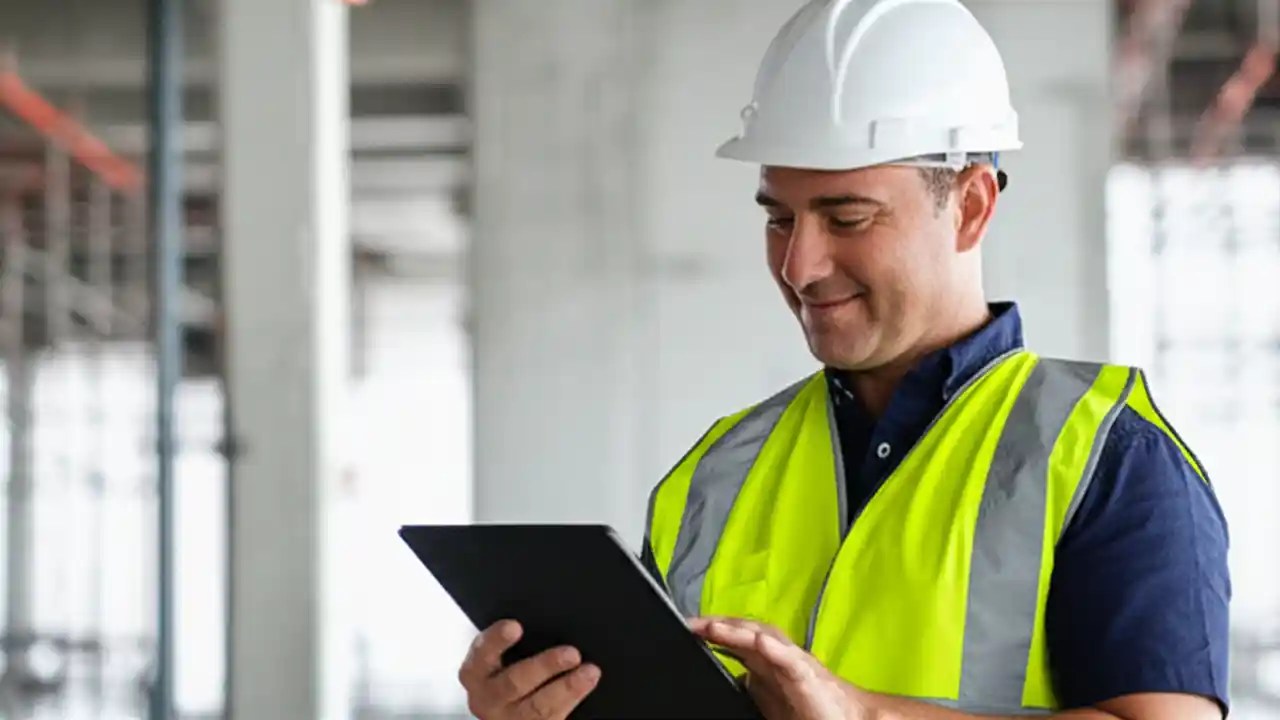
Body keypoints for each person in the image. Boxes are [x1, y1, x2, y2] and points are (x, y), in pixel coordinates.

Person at [456, 1, 1231, 718]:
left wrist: (864, 713)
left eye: (847, 216)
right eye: (779, 218)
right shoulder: (717, 474)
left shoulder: (1106, 457)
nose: (800, 265)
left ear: (970, 206)